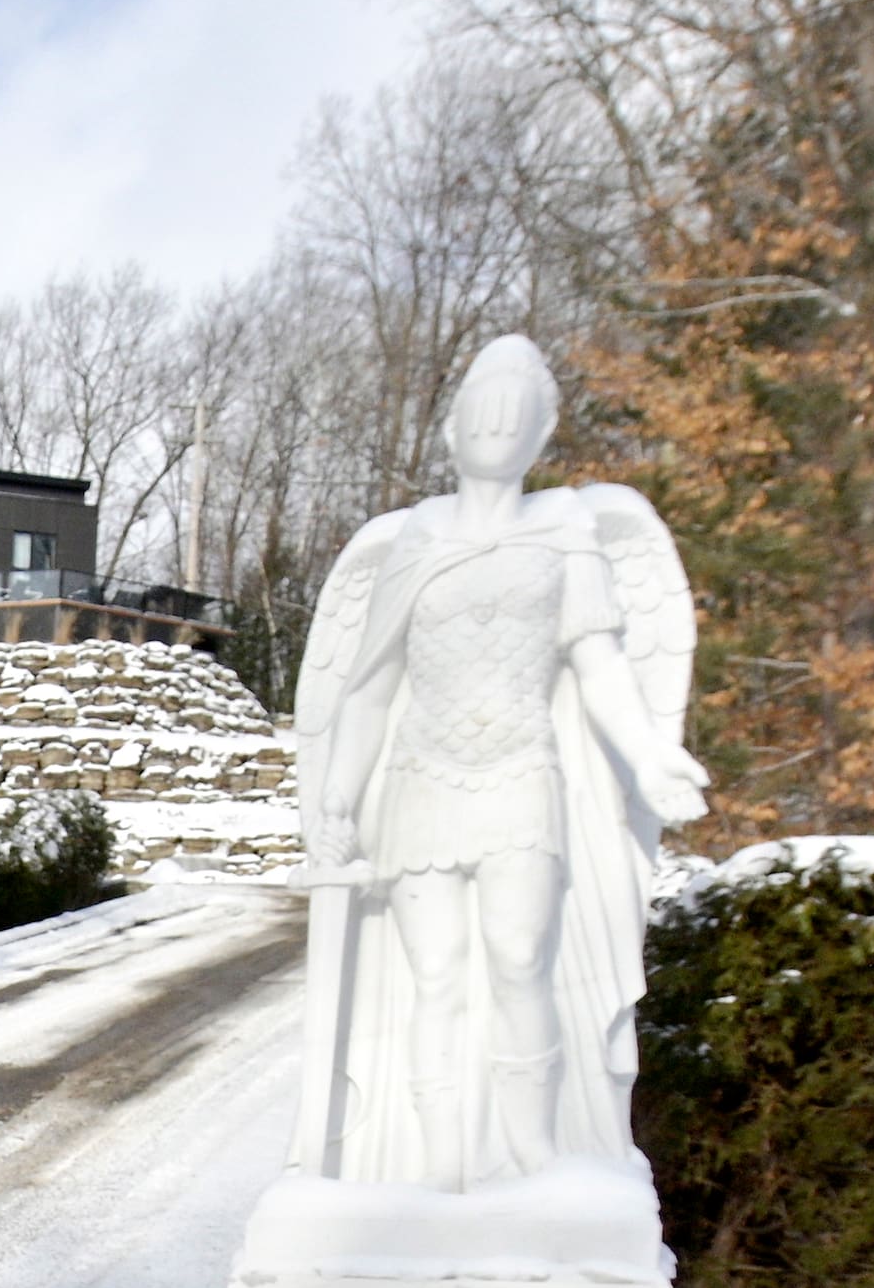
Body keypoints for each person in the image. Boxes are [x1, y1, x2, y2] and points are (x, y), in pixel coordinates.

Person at [285, 338, 706, 1189]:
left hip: (521, 774)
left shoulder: (569, 533)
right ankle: (442, 1167)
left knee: (520, 957)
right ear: (454, 425)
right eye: (484, 401)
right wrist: (334, 799)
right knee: (434, 971)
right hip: (421, 781)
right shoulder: (413, 540)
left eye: (518, 406)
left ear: (544, 429)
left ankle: (532, 1152)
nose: (498, 418)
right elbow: (369, 687)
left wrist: (651, 755)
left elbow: (600, 667)